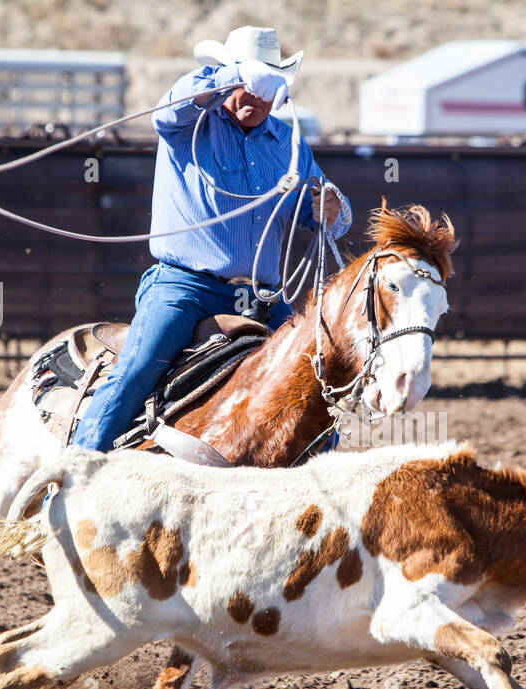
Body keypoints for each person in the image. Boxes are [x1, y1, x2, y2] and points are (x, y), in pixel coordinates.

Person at [72, 25, 351, 452]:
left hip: (265, 297)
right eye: (247, 86)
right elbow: (167, 109)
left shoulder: (288, 143)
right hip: (186, 286)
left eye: (263, 88)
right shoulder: (190, 125)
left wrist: (331, 210)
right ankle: (78, 463)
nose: (254, 99)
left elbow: (328, 209)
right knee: (141, 366)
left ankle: (318, 481)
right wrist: (233, 77)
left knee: (310, 377)